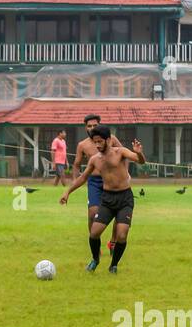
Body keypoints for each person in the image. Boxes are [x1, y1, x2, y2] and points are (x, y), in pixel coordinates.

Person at [61, 126, 145, 274]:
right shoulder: (95, 160)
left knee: (122, 234)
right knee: (94, 233)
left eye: (100, 142)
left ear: (108, 140)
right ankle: (95, 259)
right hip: (107, 199)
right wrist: (68, 191)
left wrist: (139, 153)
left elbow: (140, 161)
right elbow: (83, 177)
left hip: (124, 197)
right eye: (95, 142)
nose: (97, 145)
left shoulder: (120, 152)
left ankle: (113, 265)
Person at [71, 114, 122, 232]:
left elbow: (124, 155)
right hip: (94, 182)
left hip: (111, 180)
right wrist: (75, 179)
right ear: (85, 128)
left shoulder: (111, 139)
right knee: (92, 214)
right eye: (89, 126)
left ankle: (113, 242)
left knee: (117, 213)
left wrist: (125, 173)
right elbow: (77, 164)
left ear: (100, 125)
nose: (92, 128)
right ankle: (94, 241)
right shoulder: (82, 145)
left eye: (95, 125)